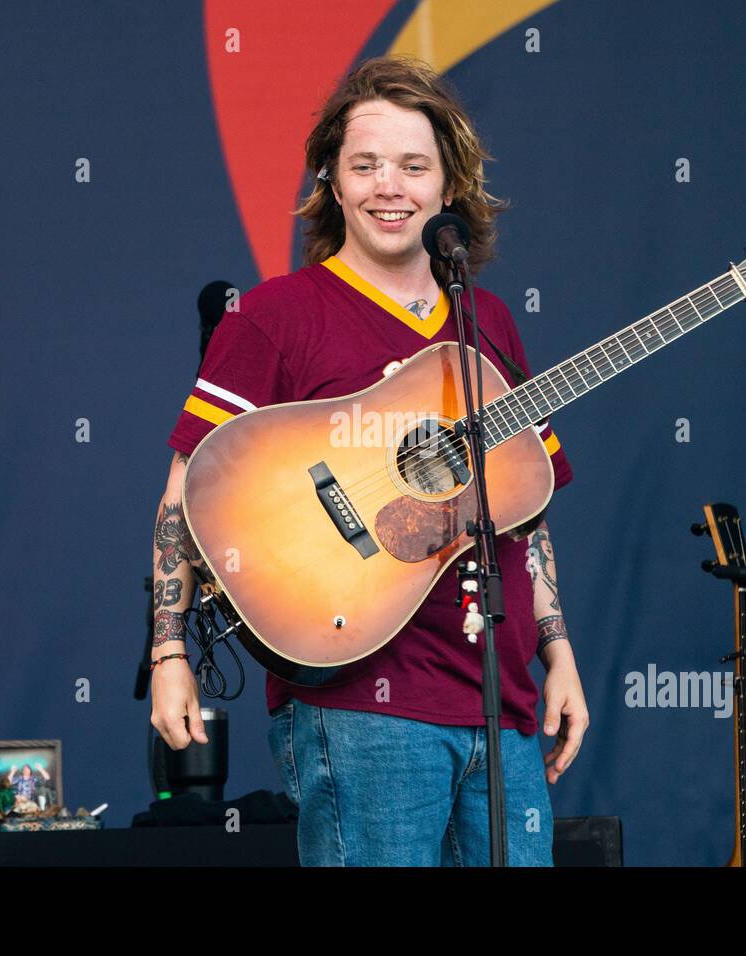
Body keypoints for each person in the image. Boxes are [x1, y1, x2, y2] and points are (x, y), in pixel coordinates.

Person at [150, 55, 589, 866]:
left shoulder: (486, 321)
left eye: (414, 166)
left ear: (449, 187)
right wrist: (170, 651)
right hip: (361, 708)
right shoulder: (275, 315)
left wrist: (557, 652)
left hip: (502, 704)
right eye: (365, 165)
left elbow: (524, 509)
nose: (391, 186)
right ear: (332, 182)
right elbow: (185, 495)